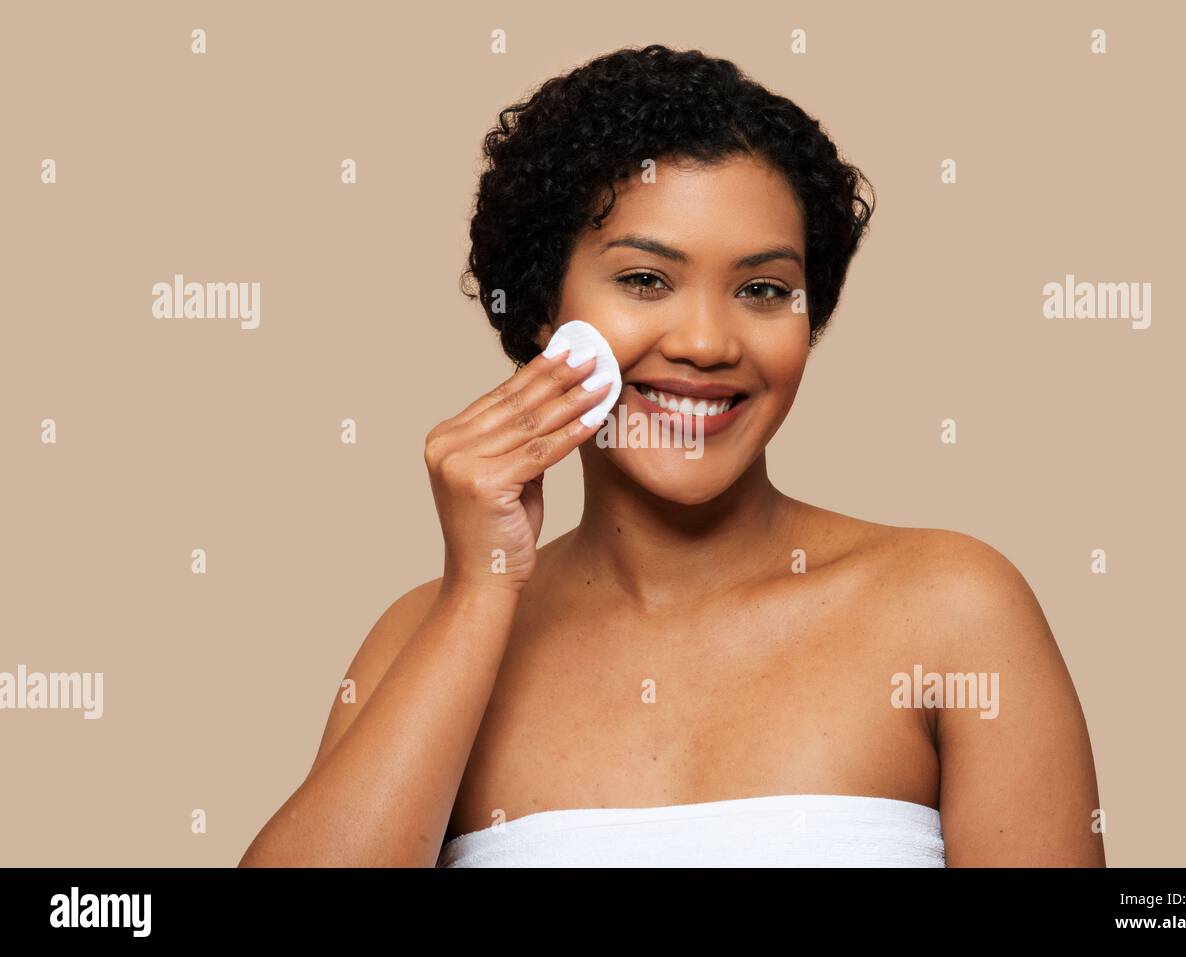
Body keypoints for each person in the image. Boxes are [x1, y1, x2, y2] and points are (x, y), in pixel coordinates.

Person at [239, 44, 1105, 868]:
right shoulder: (424, 636)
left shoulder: (954, 610)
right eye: (645, 280)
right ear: (543, 309)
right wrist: (480, 593)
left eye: (762, 289)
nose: (706, 342)